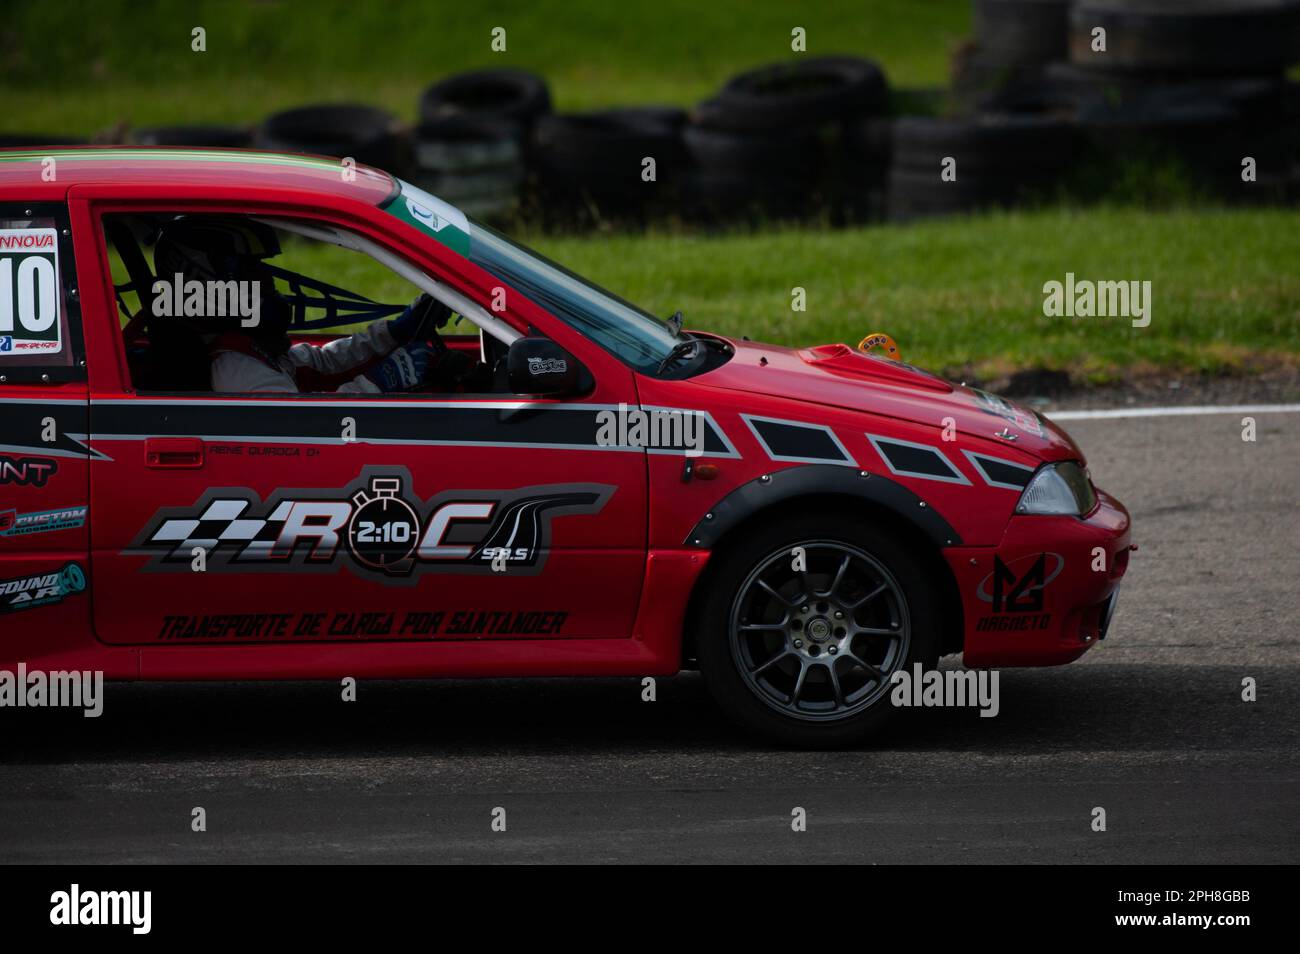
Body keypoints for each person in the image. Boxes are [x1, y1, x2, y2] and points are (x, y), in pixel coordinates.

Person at [151, 217, 456, 394]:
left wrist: (395, 332)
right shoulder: (237, 372)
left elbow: (317, 364)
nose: (265, 277)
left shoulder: (240, 348)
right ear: (207, 276)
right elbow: (308, 431)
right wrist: (379, 383)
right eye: (249, 267)